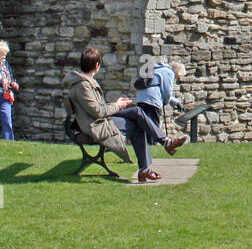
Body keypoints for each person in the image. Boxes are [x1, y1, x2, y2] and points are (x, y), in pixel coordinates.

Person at [68, 48, 184, 183]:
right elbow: (97, 112)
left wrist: (117, 104)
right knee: (137, 122)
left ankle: (163, 147)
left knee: (137, 112)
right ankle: (162, 147)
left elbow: (97, 109)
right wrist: (116, 106)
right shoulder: (83, 86)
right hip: (95, 126)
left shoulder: (85, 82)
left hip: (99, 120)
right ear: (96, 65)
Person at [134, 59, 189, 160]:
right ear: (178, 72)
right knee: (153, 124)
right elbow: (167, 92)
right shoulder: (169, 72)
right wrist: (170, 102)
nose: (177, 78)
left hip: (141, 98)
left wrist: (176, 102)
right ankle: (152, 146)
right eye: (178, 76)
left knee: (144, 124)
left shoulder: (157, 69)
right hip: (153, 100)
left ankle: (145, 147)